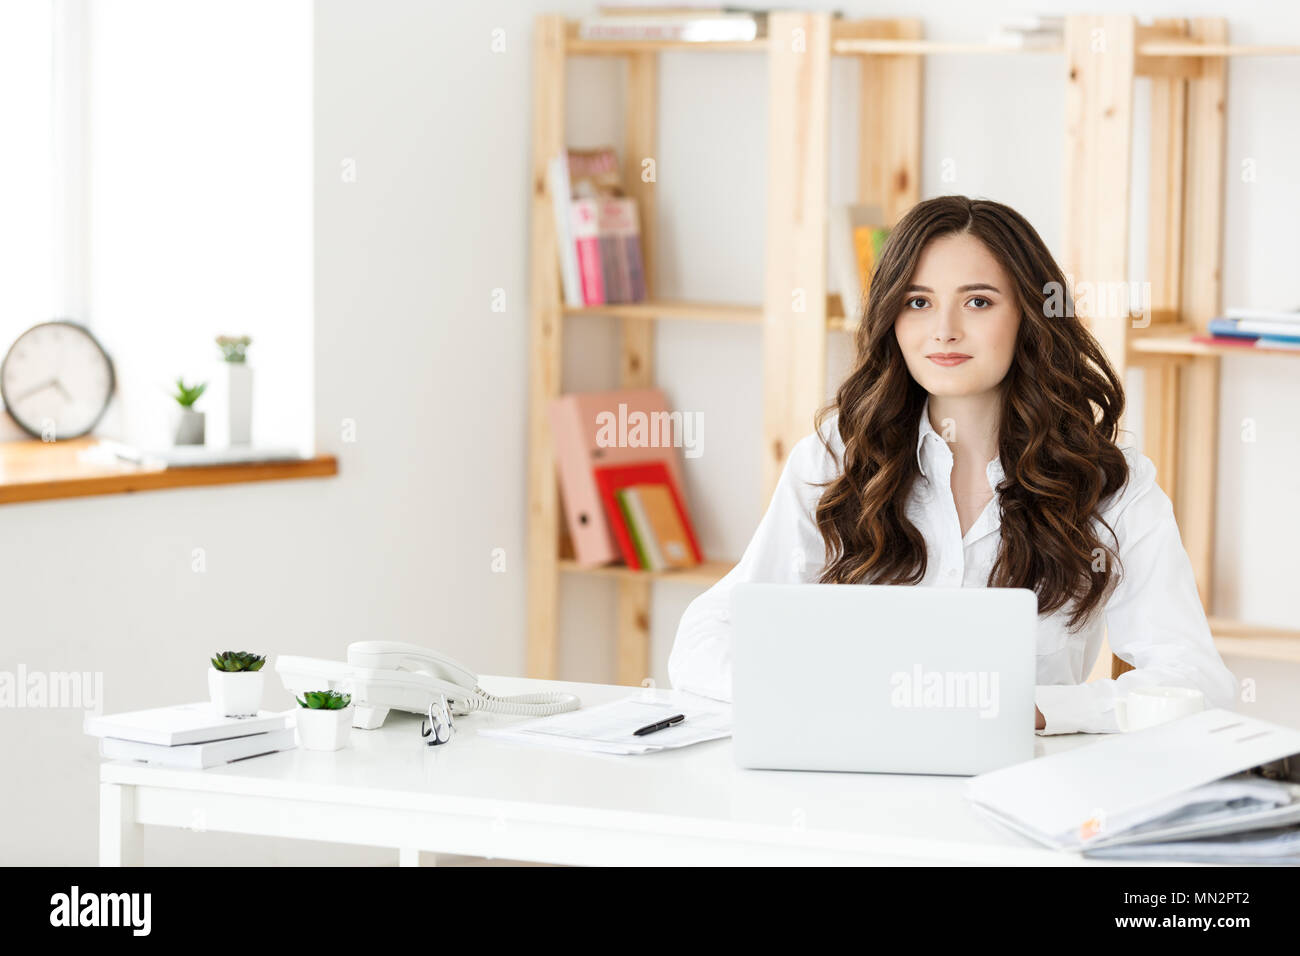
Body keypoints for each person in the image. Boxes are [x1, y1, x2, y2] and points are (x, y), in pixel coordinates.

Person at [667, 195, 1236, 734]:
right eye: (918, 302)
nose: (944, 330)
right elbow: (705, 637)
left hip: (1024, 778)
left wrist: (1038, 711)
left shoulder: (1109, 482)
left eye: (978, 302)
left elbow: (1195, 681)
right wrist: (815, 694)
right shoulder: (838, 457)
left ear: (1030, 315)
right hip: (856, 776)